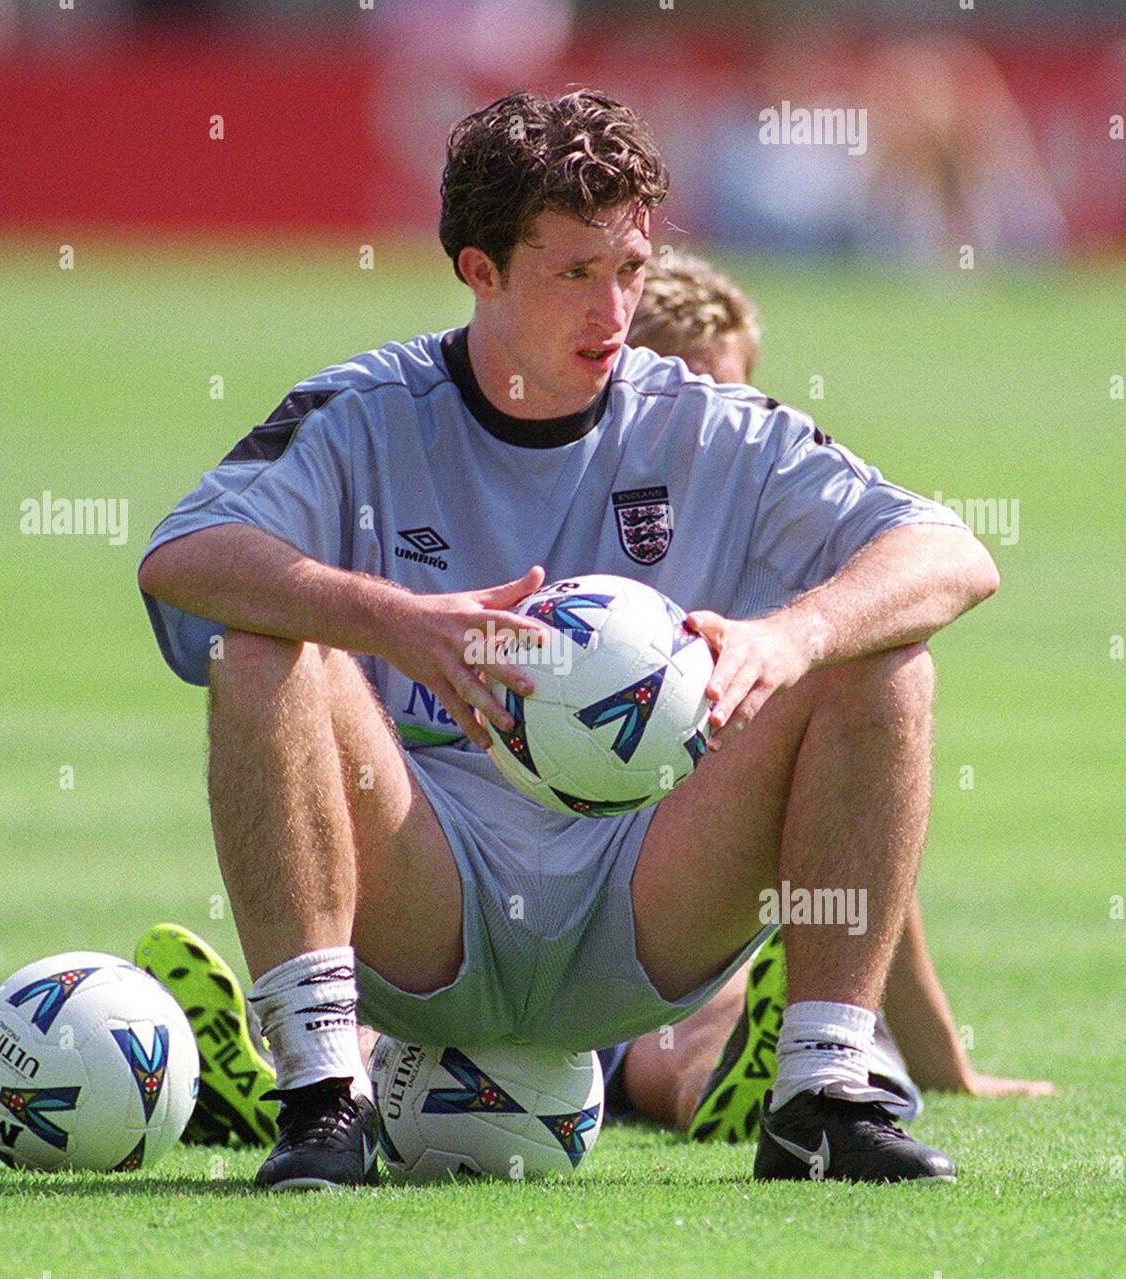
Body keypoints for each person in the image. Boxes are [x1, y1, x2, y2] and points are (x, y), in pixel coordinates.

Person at [138, 90, 1000, 1190]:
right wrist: (391, 620)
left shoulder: (705, 423)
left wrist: (791, 634)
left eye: (631, 269)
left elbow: (950, 554)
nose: (614, 309)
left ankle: (822, 1094)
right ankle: (318, 1096)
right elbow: (183, 554)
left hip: (645, 910)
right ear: (479, 270)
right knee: (259, 638)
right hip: (424, 905)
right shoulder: (363, 411)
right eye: (573, 273)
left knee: (880, 653)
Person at [598, 255, 1054, 1140]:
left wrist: (943, 1064)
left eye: (732, 392)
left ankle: (746, 1080)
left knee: (706, 1023)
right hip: (511, 906)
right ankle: (297, 1070)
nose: (711, 419)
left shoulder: (765, 587)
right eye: (680, 388)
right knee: (419, 1035)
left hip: (670, 911)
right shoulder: (541, 539)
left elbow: (855, 832)